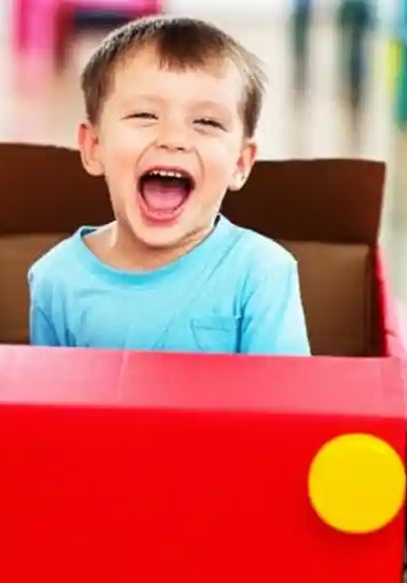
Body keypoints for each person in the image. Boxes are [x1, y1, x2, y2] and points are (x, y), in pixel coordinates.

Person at [27, 16, 311, 356]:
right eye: (145, 115)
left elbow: (286, 405)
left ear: (240, 162)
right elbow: (47, 404)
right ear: (94, 146)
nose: (173, 139)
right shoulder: (56, 280)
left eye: (206, 122)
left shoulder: (261, 275)